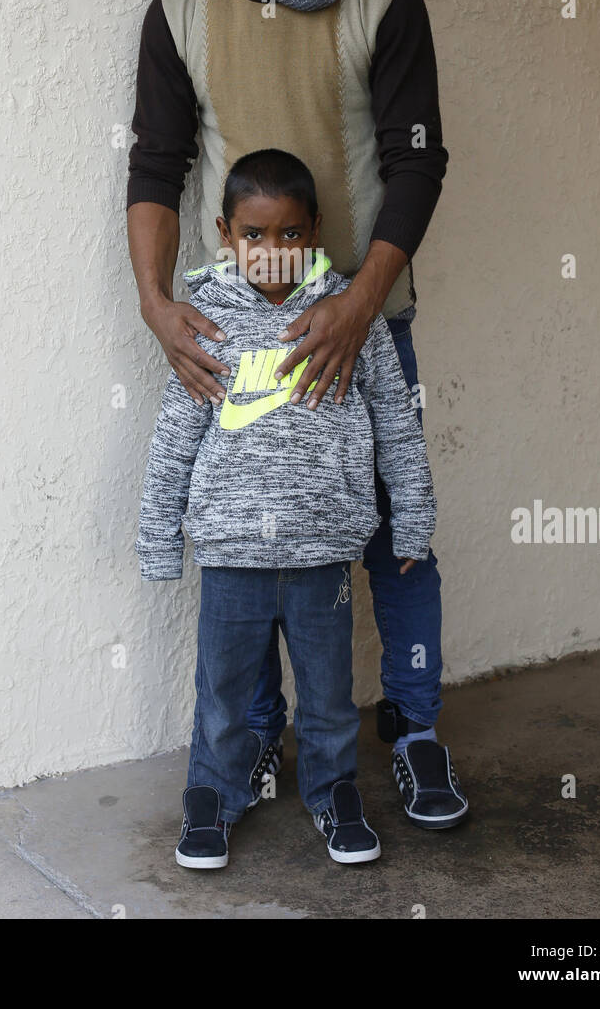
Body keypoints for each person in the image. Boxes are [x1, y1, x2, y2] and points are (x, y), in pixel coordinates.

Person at [127, 0, 468, 828]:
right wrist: (154, 304)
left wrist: (362, 301)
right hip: (237, 340)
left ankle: (412, 730)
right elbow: (156, 163)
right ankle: (266, 754)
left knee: (394, 535)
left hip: (365, 319)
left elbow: (418, 165)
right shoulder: (179, 5)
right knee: (254, 546)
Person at [135, 150, 439, 867]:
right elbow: (175, 434)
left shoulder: (343, 317)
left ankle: (336, 797)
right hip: (232, 555)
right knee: (225, 696)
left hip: (322, 556)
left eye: (290, 236)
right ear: (225, 233)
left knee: (331, 698)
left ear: (315, 232)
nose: (272, 254)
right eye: (254, 236)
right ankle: (211, 798)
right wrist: (156, 539)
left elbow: (395, 420)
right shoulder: (205, 324)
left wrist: (415, 519)